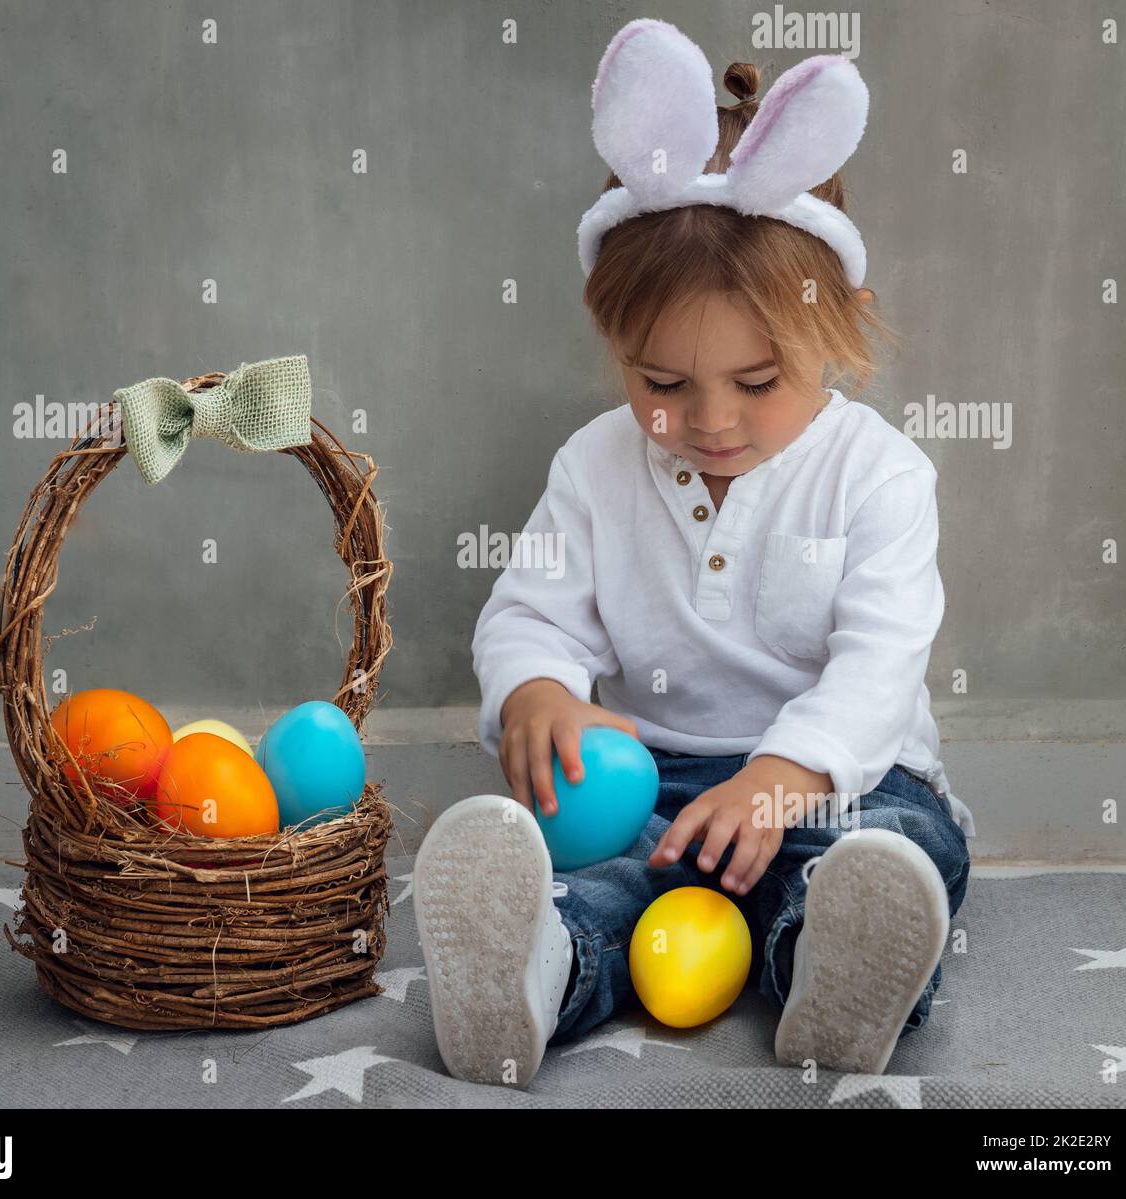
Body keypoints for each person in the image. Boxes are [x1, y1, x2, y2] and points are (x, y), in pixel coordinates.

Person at [414, 21, 974, 1089]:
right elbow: (533, 610)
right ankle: (532, 973)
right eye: (661, 384)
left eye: (757, 382)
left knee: (889, 848)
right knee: (610, 881)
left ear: (842, 327)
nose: (707, 420)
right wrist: (535, 691)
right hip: (654, 782)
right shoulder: (593, 466)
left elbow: (876, 670)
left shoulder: (880, 477)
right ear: (617, 347)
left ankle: (833, 963)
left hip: (837, 778)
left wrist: (780, 779)